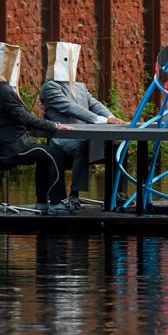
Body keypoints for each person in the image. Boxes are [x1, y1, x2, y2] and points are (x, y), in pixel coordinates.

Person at [0, 43, 74, 215]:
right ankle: (56, 203)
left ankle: (42, 203)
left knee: (45, 155)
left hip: (4, 144)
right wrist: (54, 126)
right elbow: (25, 118)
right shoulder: (4, 91)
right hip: (13, 146)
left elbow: (19, 117)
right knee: (56, 155)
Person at [40, 41, 124, 210]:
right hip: (64, 139)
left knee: (119, 149)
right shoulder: (50, 87)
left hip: (86, 136)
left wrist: (111, 116)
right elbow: (70, 108)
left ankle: (118, 194)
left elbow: (95, 104)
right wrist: (100, 120)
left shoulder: (80, 86)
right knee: (81, 145)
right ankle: (74, 194)